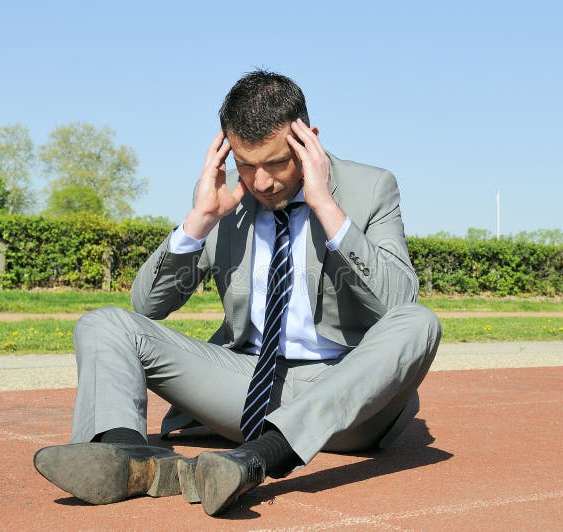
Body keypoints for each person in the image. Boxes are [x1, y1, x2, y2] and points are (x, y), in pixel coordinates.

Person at [34, 70, 442, 517]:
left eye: (276, 163)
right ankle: (129, 457)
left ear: (310, 142)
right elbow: (148, 305)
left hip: (349, 400)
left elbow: (396, 302)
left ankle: (261, 457)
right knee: (103, 323)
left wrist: (326, 205)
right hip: (250, 388)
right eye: (247, 165)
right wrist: (199, 221)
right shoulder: (227, 200)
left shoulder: (371, 188)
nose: (261, 182)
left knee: (419, 321)